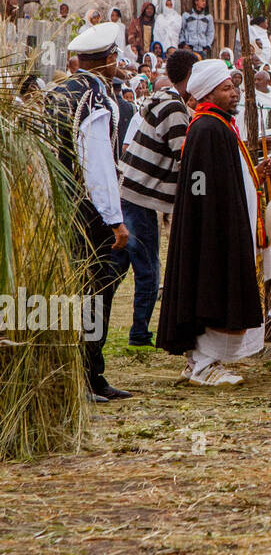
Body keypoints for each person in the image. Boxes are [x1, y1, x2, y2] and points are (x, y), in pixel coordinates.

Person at [158, 59, 271, 385]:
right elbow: (208, 190)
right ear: (208, 93)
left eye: (234, 87)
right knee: (212, 284)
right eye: (227, 89)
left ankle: (199, 360)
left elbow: (228, 176)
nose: (234, 93)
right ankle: (205, 364)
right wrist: (221, 227)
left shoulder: (218, 125)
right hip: (214, 229)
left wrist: (256, 176)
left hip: (218, 224)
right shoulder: (209, 128)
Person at [44, 22, 132, 402]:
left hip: (59, 203)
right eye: (116, 58)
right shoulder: (95, 98)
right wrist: (114, 220)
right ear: (109, 60)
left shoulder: (60, 90)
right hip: (88, 209)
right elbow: (97, 164)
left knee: (78, 292)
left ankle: (88, 376)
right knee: (95, 291)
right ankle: (88, 376)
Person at [117, 49, 199, 347]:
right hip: (140, 198)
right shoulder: (175, 108)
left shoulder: (163, 100)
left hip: (128, 192)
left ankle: (118, 332)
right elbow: (186, 157)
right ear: (190, 77)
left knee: (116, 267)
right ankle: (140, 334)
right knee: (149, 270)